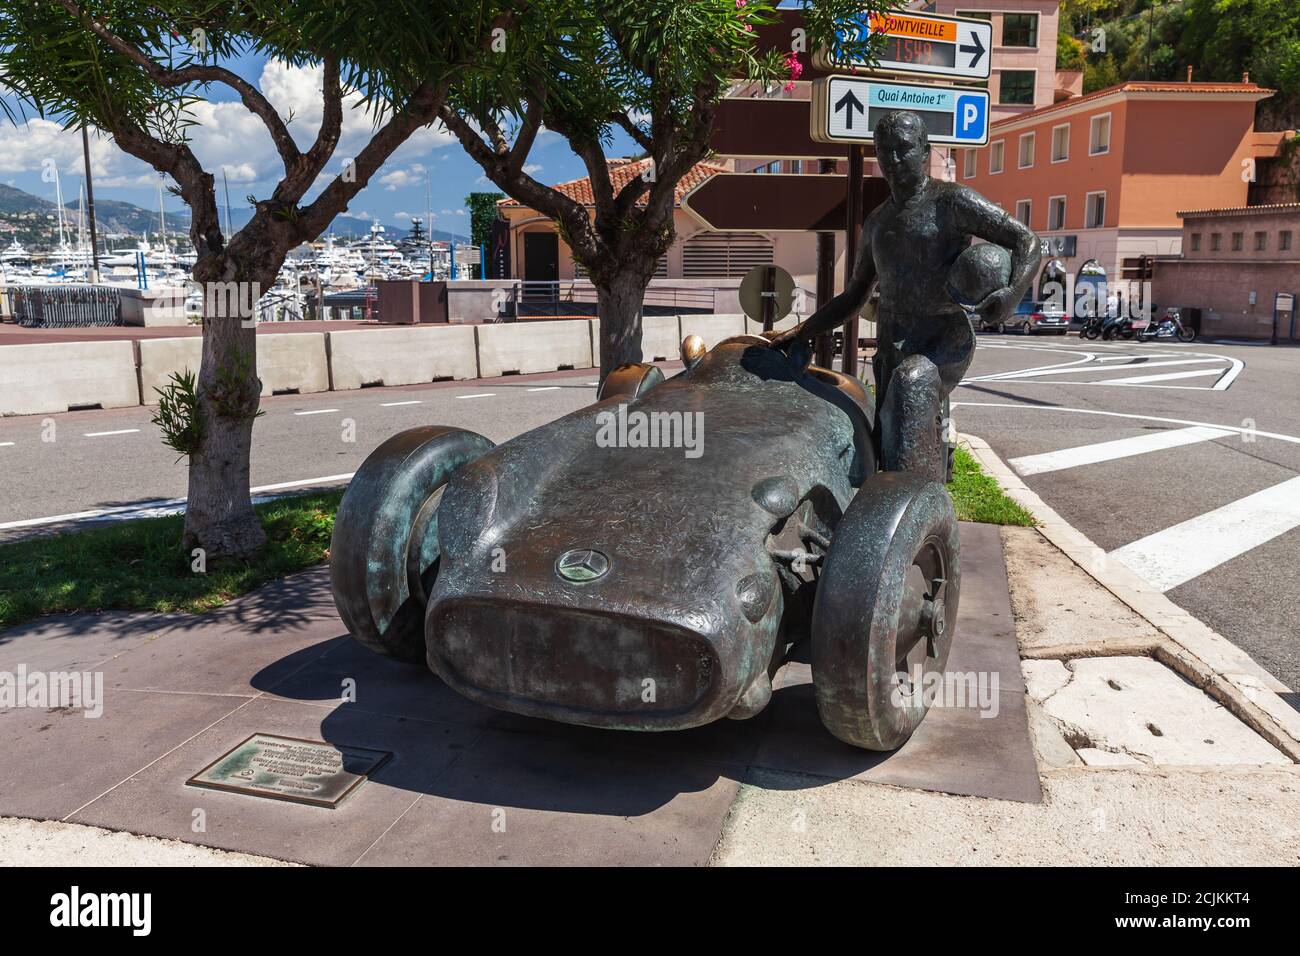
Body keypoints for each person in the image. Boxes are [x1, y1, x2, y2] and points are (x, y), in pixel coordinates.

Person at [773, 110, 1040, 479]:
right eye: (885, 151)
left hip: (942, 340)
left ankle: (918, 512)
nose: (894, 161)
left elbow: (1027, 241)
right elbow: (854, 296)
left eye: (904, 149)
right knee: (890, 438)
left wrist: (1011, 295)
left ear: (925, 149)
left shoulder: (952, 202)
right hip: (893, 341)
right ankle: (915, 500)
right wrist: (803, 332)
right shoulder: (878, 223)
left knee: (912, 389)